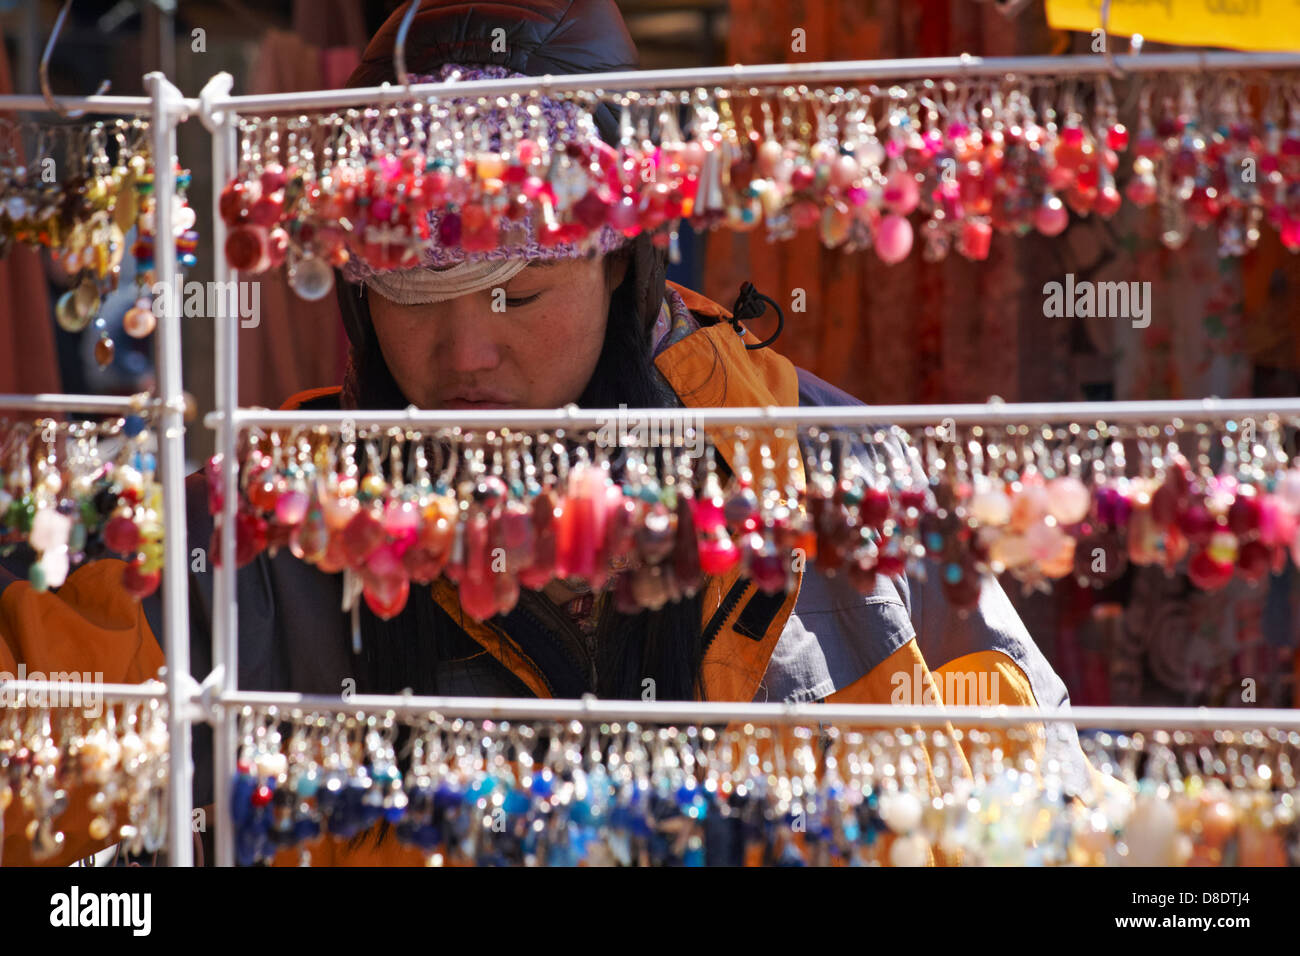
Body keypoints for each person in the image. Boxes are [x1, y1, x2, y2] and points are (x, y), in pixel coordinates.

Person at [0, 0, 1099, 867]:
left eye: (517, 298)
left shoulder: (820, 466)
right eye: (415, 300)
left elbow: (1043, 798)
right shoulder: (253, 524)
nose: (463, 355)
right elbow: (65, 835)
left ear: (623, 265)